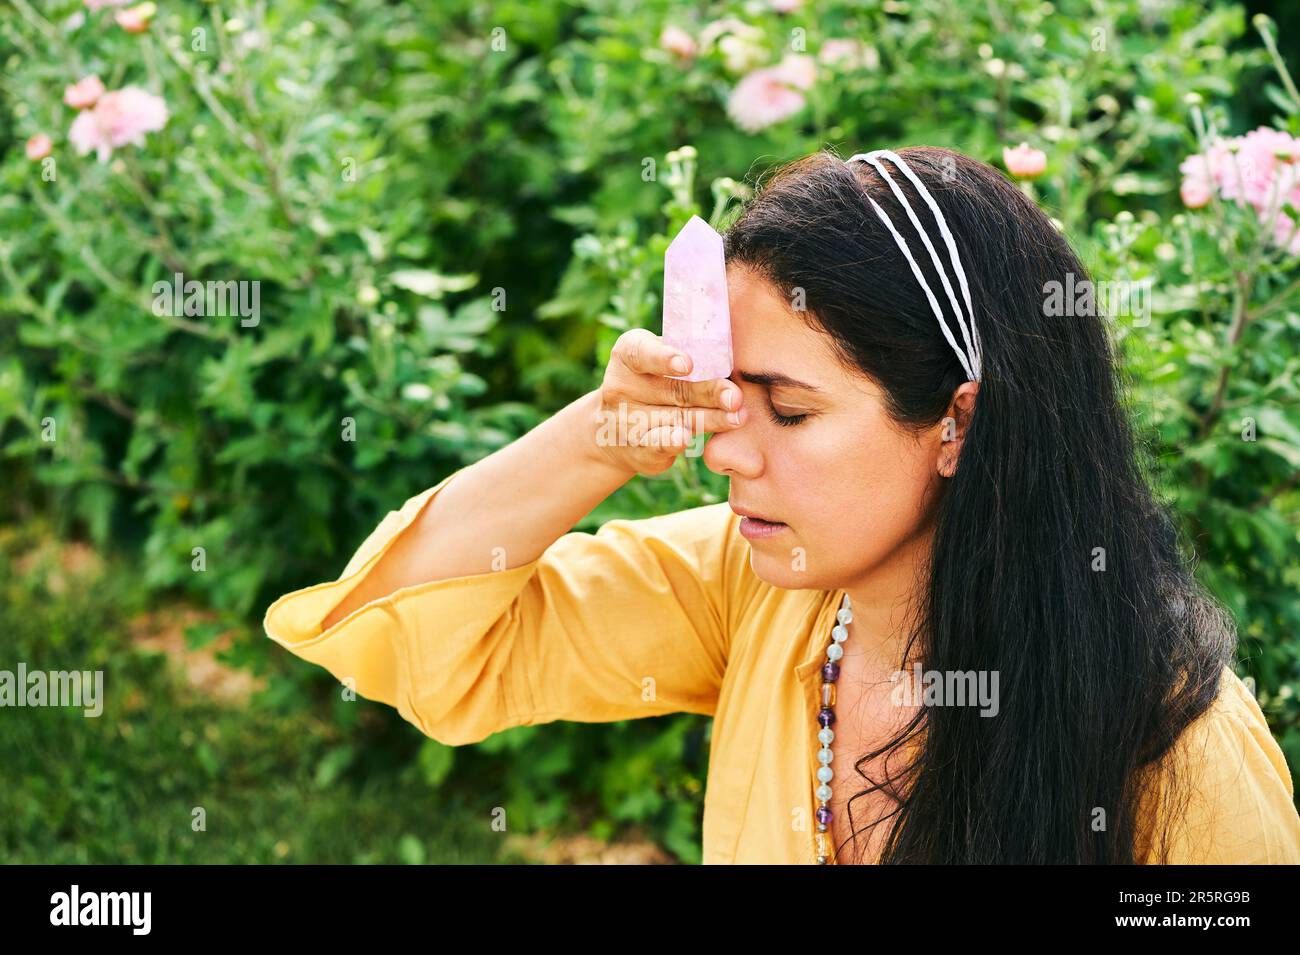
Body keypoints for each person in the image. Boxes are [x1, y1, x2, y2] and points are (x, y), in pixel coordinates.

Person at [263, 145, 1300, 864]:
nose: (725, 451)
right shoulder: (755, 589)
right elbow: (426, 645)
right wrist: (598, 431)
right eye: (726, 399)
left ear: (958, 422)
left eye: (790, 411)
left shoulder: (1174, 740)